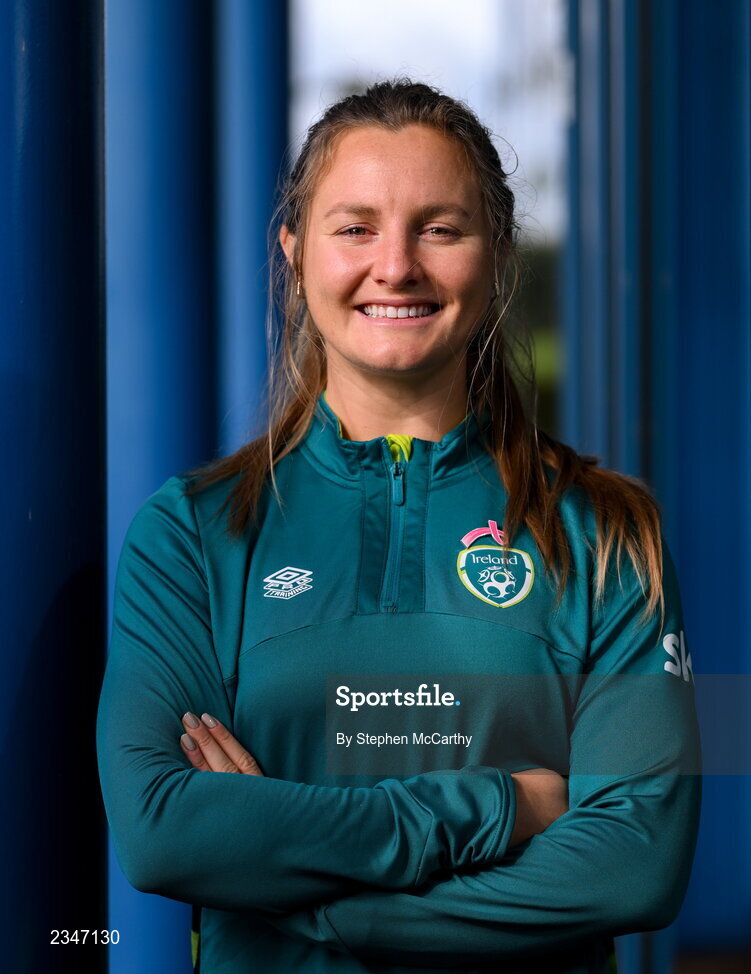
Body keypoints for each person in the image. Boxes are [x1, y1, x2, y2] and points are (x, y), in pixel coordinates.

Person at [96, 79, 701, 974]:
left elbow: (634, 869)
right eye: (355, 228)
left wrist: (313, 901)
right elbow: (161, 833)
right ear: (294, 254)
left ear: (494, 256)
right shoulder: (193, 533)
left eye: (439, 228)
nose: (396, 265)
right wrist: (502, 806)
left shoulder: (609, 534)